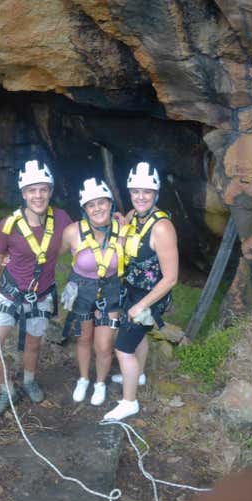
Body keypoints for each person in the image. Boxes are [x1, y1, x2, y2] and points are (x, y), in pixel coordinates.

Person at [0, 159, 72, 416]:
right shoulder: (9, 224)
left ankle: (30, 381)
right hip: (9, 292)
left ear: (50, 191)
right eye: (32, 190)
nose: (38, 195)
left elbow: (81, 235)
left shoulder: (62, 219)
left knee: (33, 345)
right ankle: (7, 389)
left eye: (43, 189)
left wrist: (119, 221)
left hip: (40, 295)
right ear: (23, 194)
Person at [104, 161, 178, 421]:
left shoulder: (162, 228)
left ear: (156, 193)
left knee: (123, 349)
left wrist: (142, 306)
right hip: (133, 290)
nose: (141, 197)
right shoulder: (135, 216)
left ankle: (129, 402)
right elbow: (132, 235)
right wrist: (119, 220)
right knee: (139, 339)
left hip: (151, 297)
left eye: (146, 192)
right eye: (136, 191)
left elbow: (170, 278)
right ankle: (140, 374)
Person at [60, 178, 124, 407]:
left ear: (110, 204)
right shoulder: (72, 232)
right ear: (84, 209)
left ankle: (99, 383)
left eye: (102, 202)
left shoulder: (123, 230)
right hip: (81, 289)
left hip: (112, 290)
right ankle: (83, 378)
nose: (97, 208)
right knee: (83, 337)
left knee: (105, 344)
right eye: (91, 205)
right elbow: (47, 256)